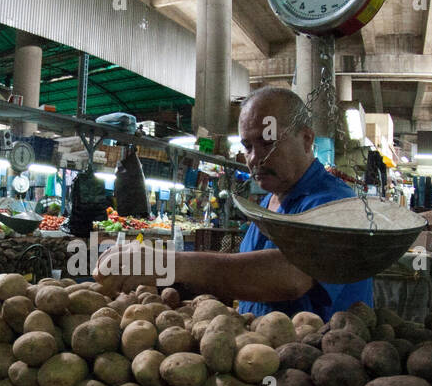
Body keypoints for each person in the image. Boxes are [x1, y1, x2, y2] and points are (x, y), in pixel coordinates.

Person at [94, 87, 373, 320]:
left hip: (315, 369)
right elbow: (249, 280)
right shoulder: (268, 202)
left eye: (267, 143)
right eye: (248, 146)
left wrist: (169, 263)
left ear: (306, 139)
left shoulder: (337, 203)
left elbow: (292, 277)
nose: (254, 158)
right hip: (260, 360)